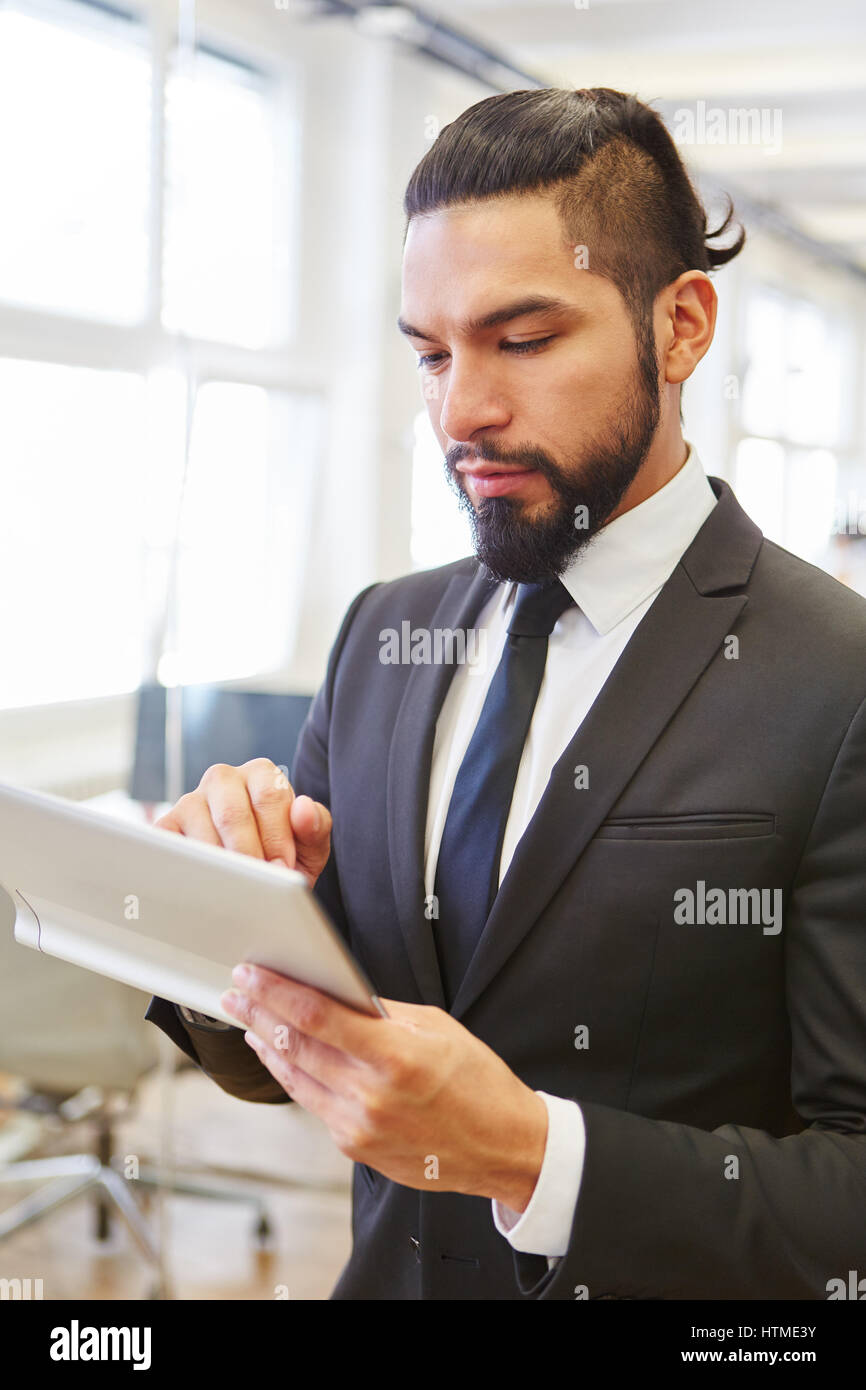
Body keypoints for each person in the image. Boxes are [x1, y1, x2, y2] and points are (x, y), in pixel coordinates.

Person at [146, 87, 866, 1300]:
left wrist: (535, 1155)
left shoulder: (835, 678)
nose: (459, 410)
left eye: (522, 340)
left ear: (680, 324)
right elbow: (311, 1049)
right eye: (430, 352)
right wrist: (225, 920)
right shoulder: (385, 633)